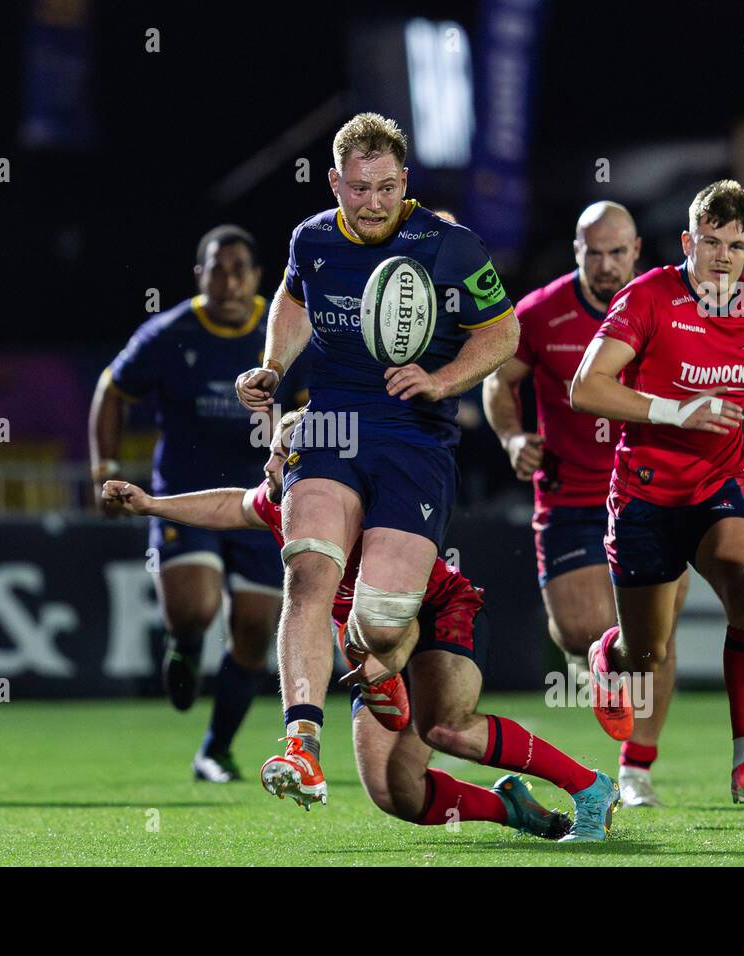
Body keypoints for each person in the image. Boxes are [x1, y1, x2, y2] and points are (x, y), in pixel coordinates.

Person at [102, 409, 621, 842]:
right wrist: (151, 503)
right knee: (394, 791)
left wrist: (390, 659)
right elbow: (230, 504)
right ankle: (514, 810)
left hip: (436, 614)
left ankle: (590, 786)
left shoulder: (369, 507)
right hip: (369, 645)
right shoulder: (288, 503)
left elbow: (406, 607)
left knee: (447, 727)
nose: (271, 463)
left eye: (283, 454)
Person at [234, 113, 538, 813]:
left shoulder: (449, 245)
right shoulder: (312, 239)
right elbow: (291, 296)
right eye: (358, 188)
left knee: (384, 621)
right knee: (307, 573)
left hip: (414, 438)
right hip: (333, 424)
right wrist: (273, 365)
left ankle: (377, 661)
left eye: (386, 188)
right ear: (335, 180)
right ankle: (301, 747)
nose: (371, 203)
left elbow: (503, 330)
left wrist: (442, 380)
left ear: (405, 181)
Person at [569, 180, 744, 804]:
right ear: (689, 242)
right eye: (711, 242)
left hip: (718, 490)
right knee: (648, 652)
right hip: (644, 498)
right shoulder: (649, 298)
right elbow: (587, 387)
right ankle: (611, 656)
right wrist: (674, 410)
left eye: (736, 245)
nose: (722, 256)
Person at [483, 202, 685, 807]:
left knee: (658, 636)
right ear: (576, 251)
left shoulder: (669, 307)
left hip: (654, 489)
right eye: (592, 253)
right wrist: (513, 437)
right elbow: (499, 380)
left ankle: (637, 768)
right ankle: (588, 654)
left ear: (637, 251)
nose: (604, 265)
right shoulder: (542, 312)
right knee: (579, 629)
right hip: (570, 492)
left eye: (615, 252)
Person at [89, 225, 308, 783]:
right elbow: (111, 390)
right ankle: (185, 646)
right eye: (218, 268)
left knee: (257, 633)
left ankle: (215, 749)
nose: (230, 280)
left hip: (264, 500)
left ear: (258, 276)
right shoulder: (169, 333)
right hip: (188, 499)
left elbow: (313, 400)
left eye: (241, 269)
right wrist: (105, 470)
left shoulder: (283, 328)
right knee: (196, 610)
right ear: (199, 275)